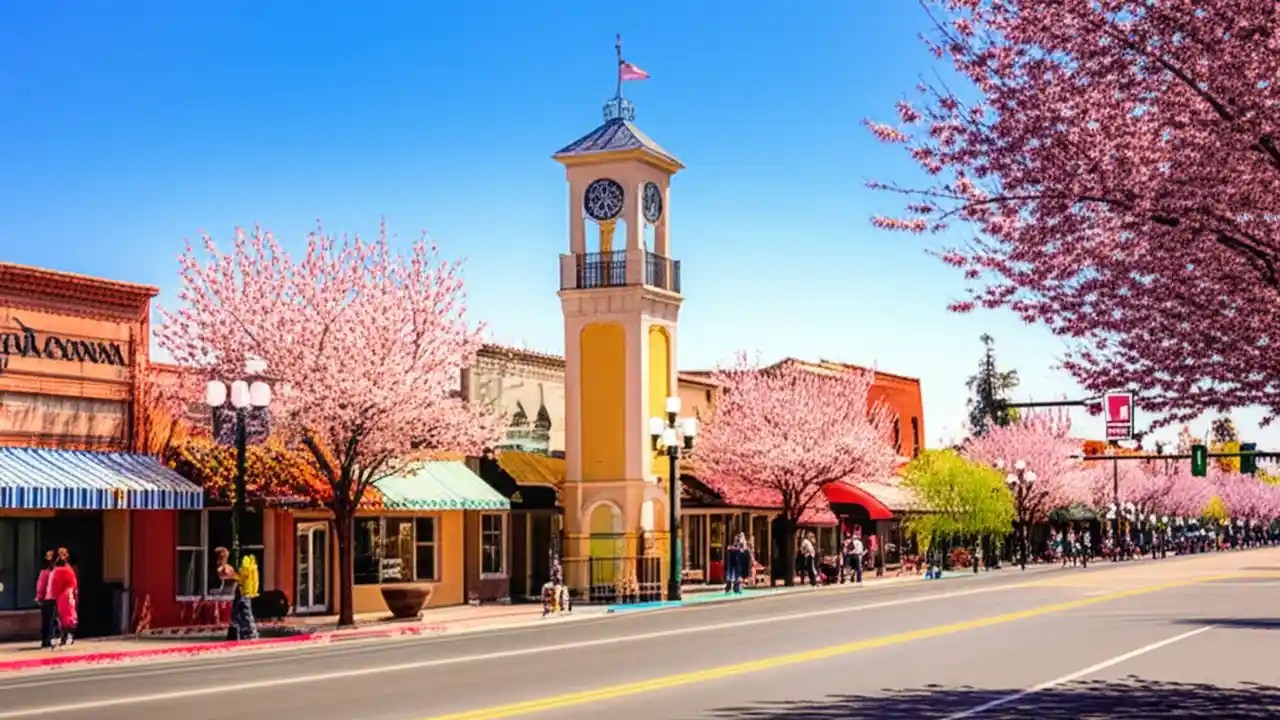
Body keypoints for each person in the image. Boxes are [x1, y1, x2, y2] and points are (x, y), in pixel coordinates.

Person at [216, 547, 259, 641]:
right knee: (239, 614)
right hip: (229, 595)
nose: (225, 558)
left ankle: (241, 634)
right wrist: (238, 577)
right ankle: (247, 633)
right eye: (223, 557)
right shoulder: (223, 568)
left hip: (234, 594)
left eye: (225, 556)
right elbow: (225, 575)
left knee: (238, 615)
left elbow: (231, 576)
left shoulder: (227, 567)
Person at [48, 555, 78, 647]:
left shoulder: (56, 571)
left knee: (62, 617)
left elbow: (54, 584)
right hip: (69, 594)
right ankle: (70, 636)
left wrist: (53, 595)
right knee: (70, 616)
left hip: (61, 596)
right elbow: (74, 584)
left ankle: (64, 637)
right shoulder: (69, 570)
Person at [35, 550, 56, 649]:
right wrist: (39, 597)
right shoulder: (46, 572)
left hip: (50, 598)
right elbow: (40, 587)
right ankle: (47, 639)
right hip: (48, 599)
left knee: (49, 620)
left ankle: (48, 639)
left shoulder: (49, 572)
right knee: (48, 620)